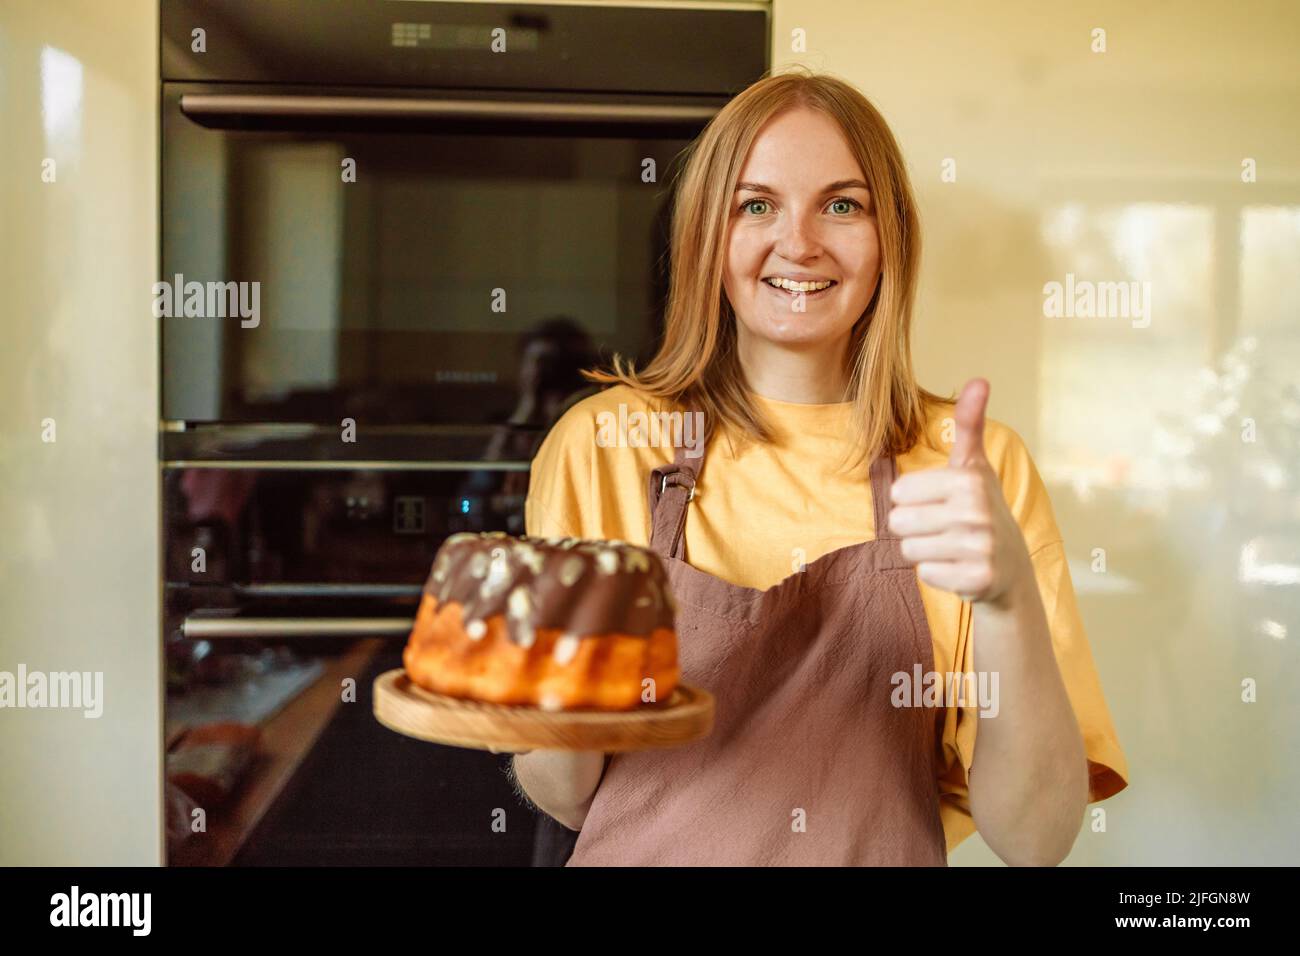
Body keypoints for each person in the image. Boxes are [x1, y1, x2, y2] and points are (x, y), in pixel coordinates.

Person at [510, 67, 1128, 866]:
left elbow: (1037, 839)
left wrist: (1009, 599)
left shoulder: (971, 469)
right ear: (706, 237)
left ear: (888, 241)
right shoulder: (606, 445)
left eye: (842, 205)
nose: (798, 242)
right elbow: (566, 793)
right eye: (756, 205)